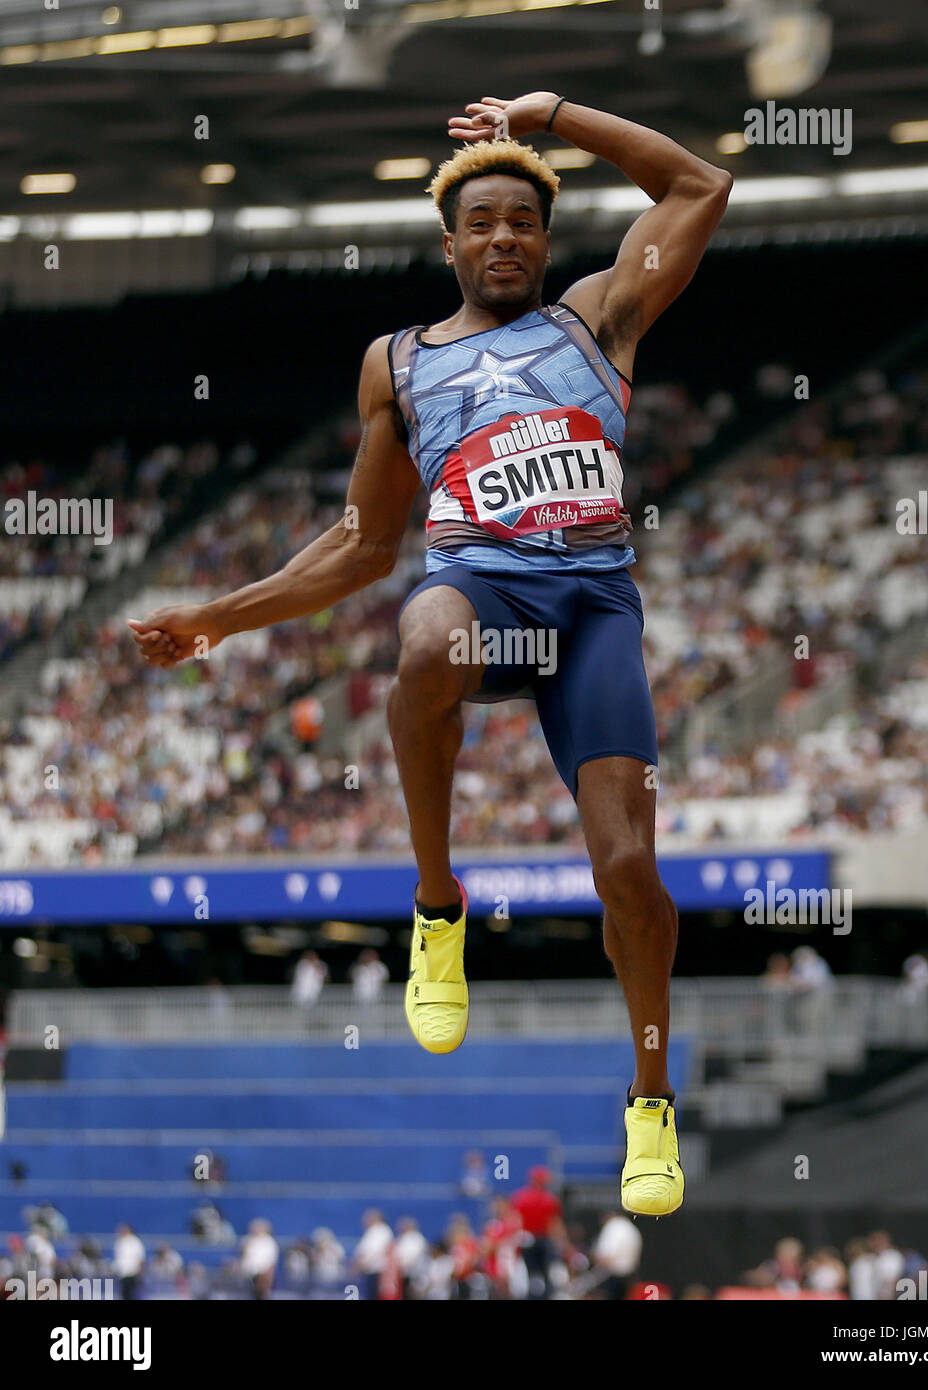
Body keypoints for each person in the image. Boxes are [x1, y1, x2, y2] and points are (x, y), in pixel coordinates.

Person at [127, 89, 732, 1218]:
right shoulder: (397, 365)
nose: (505, 237)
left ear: (546, 242)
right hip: (479, 587)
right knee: (420, 633)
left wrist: (553, 115)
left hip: (592, 611)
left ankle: (650, 1098)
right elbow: (363, 547)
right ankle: (435, 901)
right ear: (447, 242)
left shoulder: (596, 319)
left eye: (524, 222)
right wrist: (219, 616)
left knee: (625, 873)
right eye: (484, 224)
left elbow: (699, 185)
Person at [511, 1165, 564, 1300]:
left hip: (528, 1240)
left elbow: (515, 1222)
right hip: (542, 1240)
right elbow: (554, 1226)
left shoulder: (521, 1197)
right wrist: (562, 1244)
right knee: (544, 1275)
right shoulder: (549, 1200)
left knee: (532, 1275)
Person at [592, 1210, 643, 1300]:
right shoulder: (631, 1227)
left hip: (613, 1277)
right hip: (629, 1277)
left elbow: (605, 1255)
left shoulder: (613, 1226)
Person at [352, 1208, 394, 1301]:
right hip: (370, 1271)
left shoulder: (381, 1231)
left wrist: (361, 1264)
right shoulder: (373, 1231)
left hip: (377, 1272)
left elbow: (374, 1252)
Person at [240, 1218, 279, 1300]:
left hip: (262, 1272)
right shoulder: (247, 1241)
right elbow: (244, 1258)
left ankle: (262, 1294)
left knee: (263, 1277)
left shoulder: (269, 1242)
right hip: (248, 1271)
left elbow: (270, 1262)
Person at [113, 1222, 146, 1301]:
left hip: (133, 1273)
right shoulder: (119, 1242)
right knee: (124, 1295)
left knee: (132, 1295)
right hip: (122, 1274)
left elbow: (141, 1258)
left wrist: (141, 1273)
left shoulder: (135, 1242)